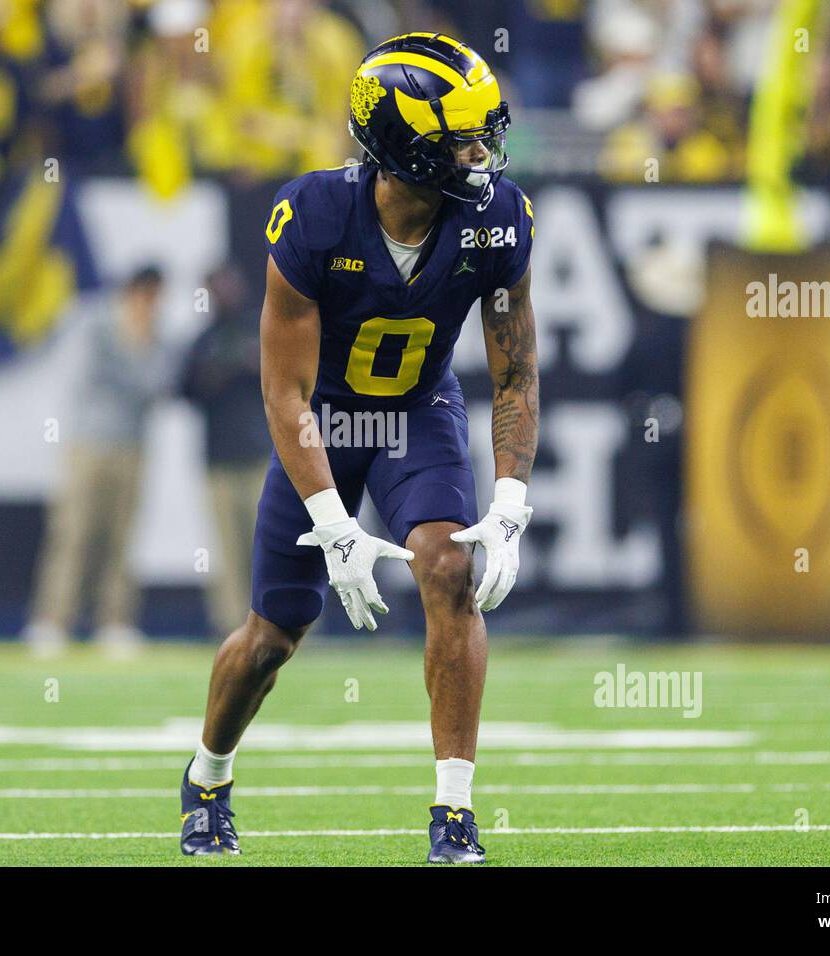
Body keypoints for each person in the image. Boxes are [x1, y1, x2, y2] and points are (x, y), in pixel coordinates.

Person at [178, 34, 539, 864]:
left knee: (449, 570)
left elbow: (516, 372)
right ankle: (207, 776)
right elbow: (284, 392)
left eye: (483, 132)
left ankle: (454, 813)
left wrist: (512, 496)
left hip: (417, 412)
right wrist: (333, 524)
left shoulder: (497, 218)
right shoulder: (314, 217)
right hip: (326, 423)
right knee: (273, 634)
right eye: (458, 137)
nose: (480, 153)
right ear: (402, 145)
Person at [23, 266, 168, 659]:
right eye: (148, 295)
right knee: (73, 533)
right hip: (88, 445)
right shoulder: (97, 323)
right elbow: (98, 374)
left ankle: (115, 622)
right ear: (133, 291)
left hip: (132, 447)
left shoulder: (158, 334)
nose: (152, 305)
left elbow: (160, 387)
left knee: (122, 538)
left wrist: (143, 347)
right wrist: (136, 350)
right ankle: (52, 620)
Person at [179, 263, 272, 637]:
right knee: (227, 550)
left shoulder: (261, 329)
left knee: (271, 545)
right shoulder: (203, 340)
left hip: (260, 456)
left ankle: (284, 621)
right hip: (218, 460)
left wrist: (243, 366)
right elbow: (185, 388)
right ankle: (233, 626)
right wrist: (220, 372)